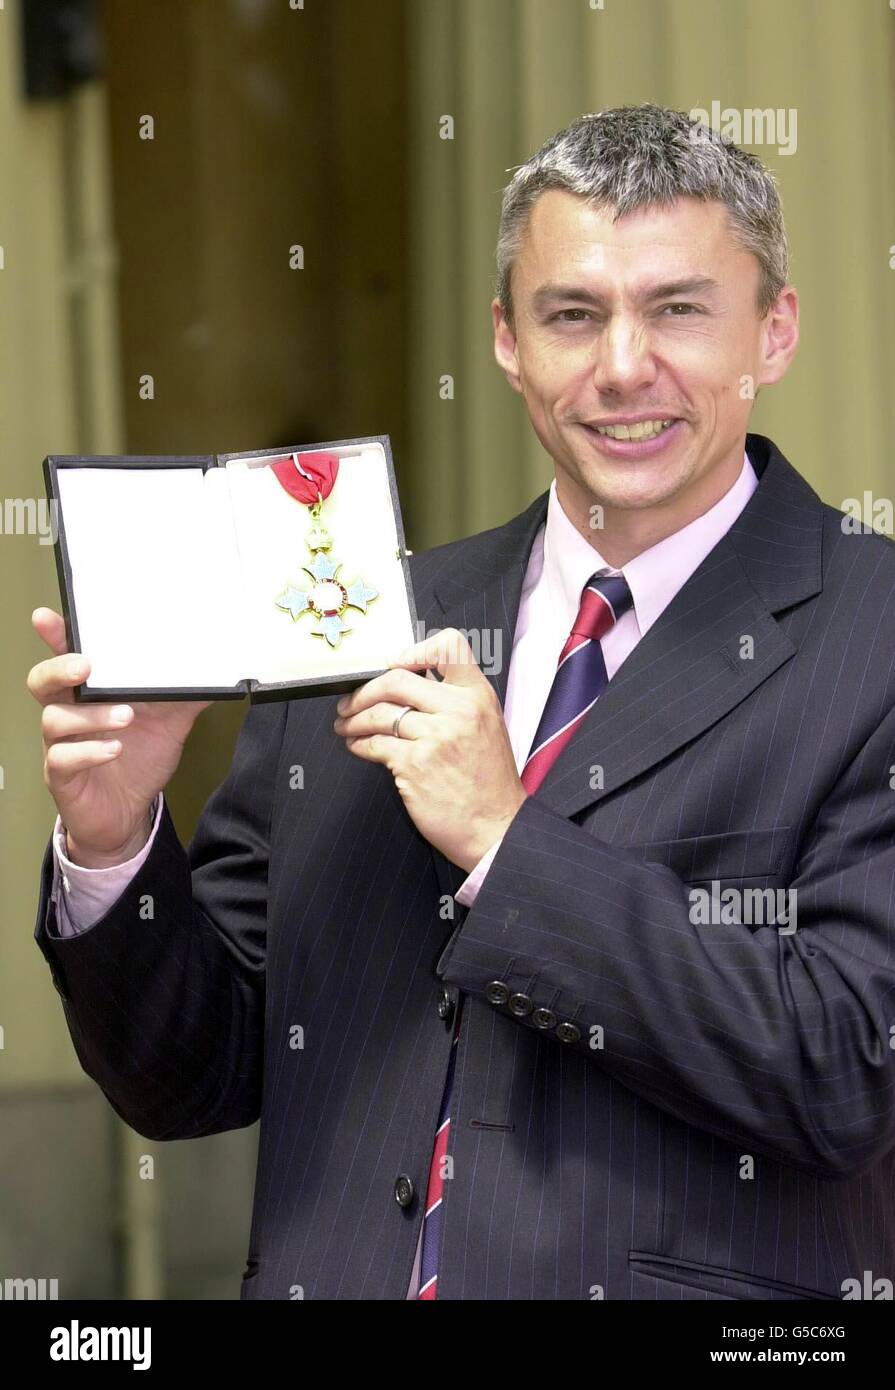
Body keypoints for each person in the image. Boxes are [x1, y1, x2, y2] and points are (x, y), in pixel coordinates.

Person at [27, 104, 895, 1301]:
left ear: (777, 330)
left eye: (679, 309)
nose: (623, 365)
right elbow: (194, 1078)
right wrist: (118, 840)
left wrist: (505, 842)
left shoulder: (874, 634)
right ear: (505, 340)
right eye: (571, 314)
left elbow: (851, 1071)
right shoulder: (361, 621)